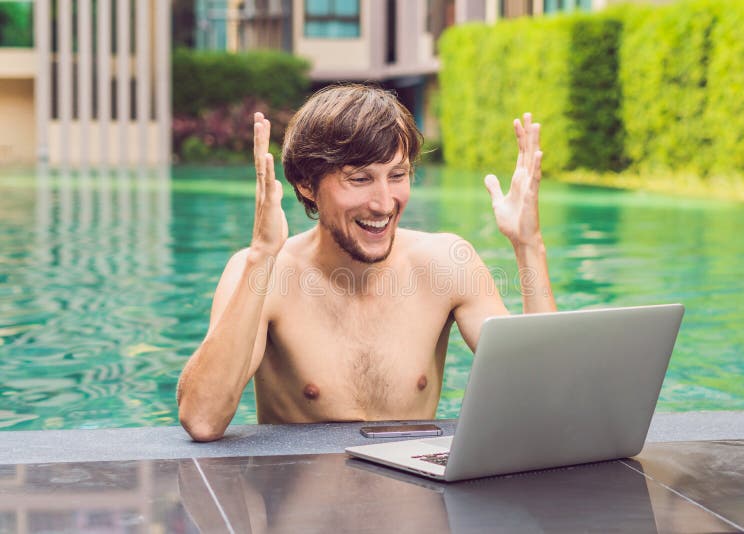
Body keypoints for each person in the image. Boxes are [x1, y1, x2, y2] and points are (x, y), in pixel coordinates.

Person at [176, 84, 556, 442]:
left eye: (397, 175)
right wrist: (261, 254)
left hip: (411, 486)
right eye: (360, 179)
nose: (384, 203)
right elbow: (203, 419)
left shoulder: (446, 264)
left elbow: (543, 397)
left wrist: (529, 245)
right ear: (307, 184)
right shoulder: (266, 273)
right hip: (306, 486)